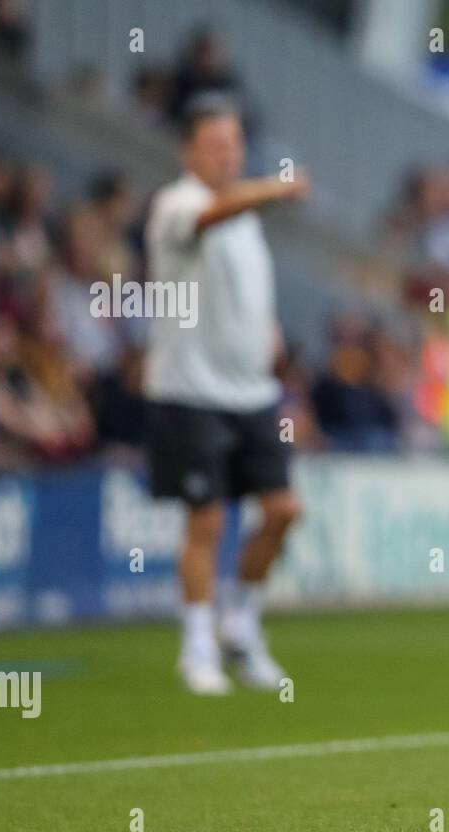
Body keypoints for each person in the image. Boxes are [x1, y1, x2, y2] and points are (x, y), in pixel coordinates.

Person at [143, 93, 310, 695]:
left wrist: (266, 336)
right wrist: (276, 187)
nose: (227, 155)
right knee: (207, 520)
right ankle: (197, 647)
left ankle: (239, 624)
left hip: (251, 394)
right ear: (189, 149)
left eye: (234, 144)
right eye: (215, 145)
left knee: (284, 510)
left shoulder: (244, 216)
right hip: (190, 392)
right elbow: (210, 217)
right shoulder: (178, 203)